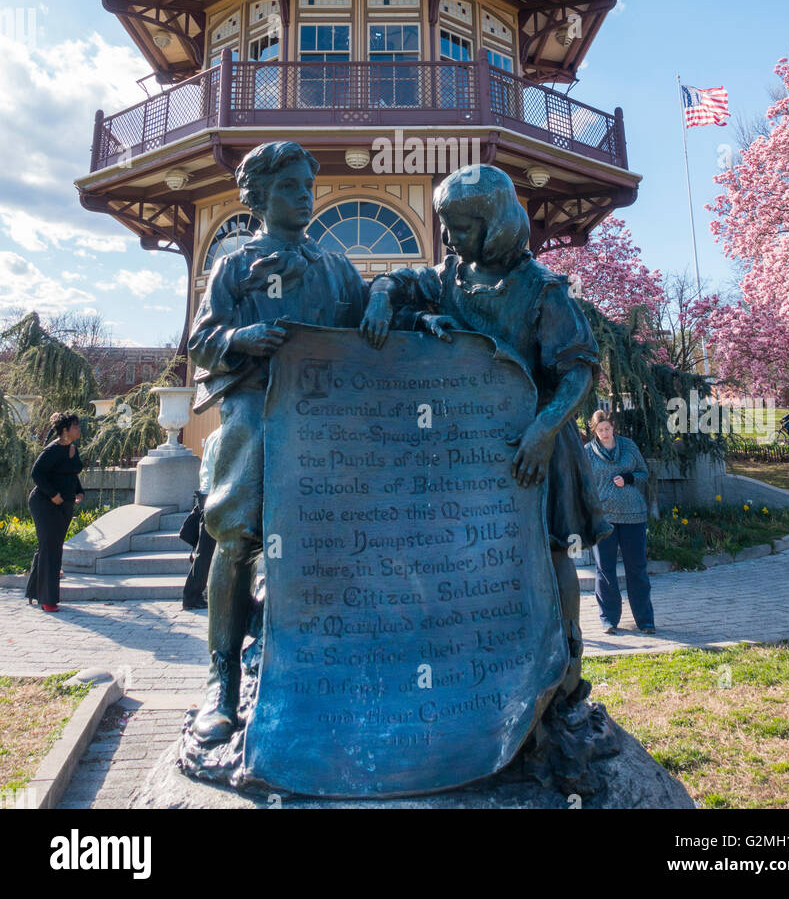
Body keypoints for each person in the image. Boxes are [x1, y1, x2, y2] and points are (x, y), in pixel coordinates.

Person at [362, 164, 612, 699]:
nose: (449, 238)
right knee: (469, 554)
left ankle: (565, 663)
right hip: (466, 450)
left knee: (550, 551)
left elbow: (578, 371)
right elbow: (400, 281)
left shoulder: (543, 289)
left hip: (534, 444)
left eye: (461, 226)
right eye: (445, 226)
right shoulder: (449, 275)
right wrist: (387, 298)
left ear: (496, 223)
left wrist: (544, 430)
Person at [187, 141, 379, 745]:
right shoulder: (235, 265)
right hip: (257, 412)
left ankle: (295, 658)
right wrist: (242, 336)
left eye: (307, 185)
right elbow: (199, 341)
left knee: (322, 538)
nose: (305, 195)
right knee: (237, 535)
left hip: (323, 421)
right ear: (262, 197)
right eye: (291, 186)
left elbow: (372, 322)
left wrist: (415, 312)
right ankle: (221, 679)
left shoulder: (335, 265)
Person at [585, 410, 655, 635]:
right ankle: (609, 619)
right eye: (600, 430)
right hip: (603, 519)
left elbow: (644, 473)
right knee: (605, 570)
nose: (604, 433)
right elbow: (582, 484)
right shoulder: (588, 453)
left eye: (607, 428)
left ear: (613, 426)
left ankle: (645, 621)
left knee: (637, 569)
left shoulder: (629, 446)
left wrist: (629, 478)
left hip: (633, 515)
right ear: (594, 430)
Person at [25, 411, 84, 612]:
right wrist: (52, 494)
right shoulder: (52, 450)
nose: (79, 429)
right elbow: (37, 473)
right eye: (75, 426)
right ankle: (48, 600)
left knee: (49, 546)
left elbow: (71, 473)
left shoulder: (72, 448)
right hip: (44, 503)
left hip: (63, 504)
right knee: (51, 549)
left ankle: (34, 591)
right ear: (65, 430)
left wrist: (79, 491)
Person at [181, 425, 222, 611]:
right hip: (215, 494)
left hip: (206, 492)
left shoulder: (214, 434)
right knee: (206, 550)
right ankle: (192, 595)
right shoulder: (226, 436)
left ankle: (196, 593)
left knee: (205, 549)